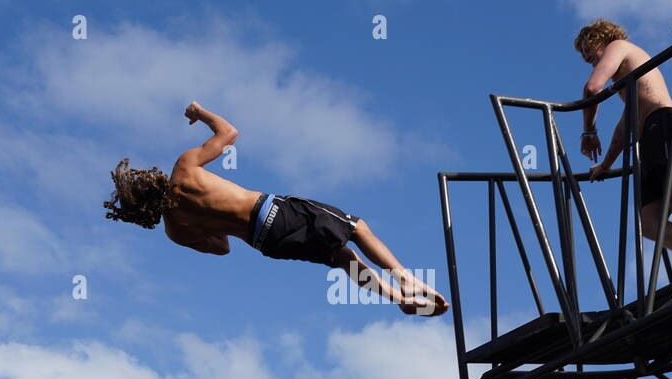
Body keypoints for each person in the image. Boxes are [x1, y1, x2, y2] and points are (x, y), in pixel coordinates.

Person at [105, 103, 449, 316]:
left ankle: (395, 299)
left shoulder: (175, 232)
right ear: (148, 179)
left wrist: (217, 223)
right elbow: (229, 132)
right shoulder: (185, 168)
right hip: (274, 212)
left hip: (267, 243)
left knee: (342, 259)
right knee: (357, 227)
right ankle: (402, 276)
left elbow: (223, 248)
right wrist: (199, 112)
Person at [576, 21, 672, 274]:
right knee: (648, 221)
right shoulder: (631, 84)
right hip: (651, 133)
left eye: (587, 46)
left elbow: (593, 88)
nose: (586, 56)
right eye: (583, 54)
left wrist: (589, 130)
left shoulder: (619, 46)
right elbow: (624, 128)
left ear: (603, 38)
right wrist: (605, 165)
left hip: (666, 125)